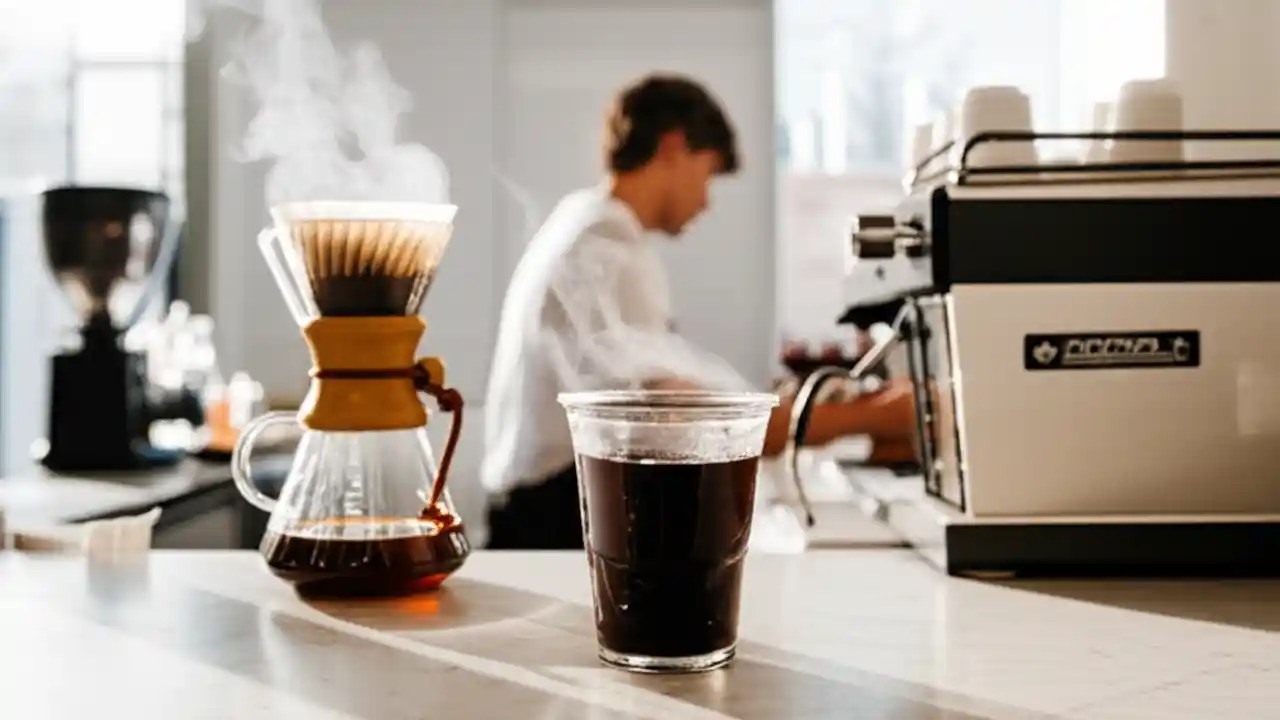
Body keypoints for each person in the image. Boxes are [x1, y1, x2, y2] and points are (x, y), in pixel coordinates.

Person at [481, 73, 915, 549]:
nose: (706, 201)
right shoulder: (601, 248)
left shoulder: (595, 232)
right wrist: (871, 417)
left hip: (554, 502)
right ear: (672, 148)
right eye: (707, 174)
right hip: (554, 516)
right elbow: (675, 418)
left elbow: (666, 392)